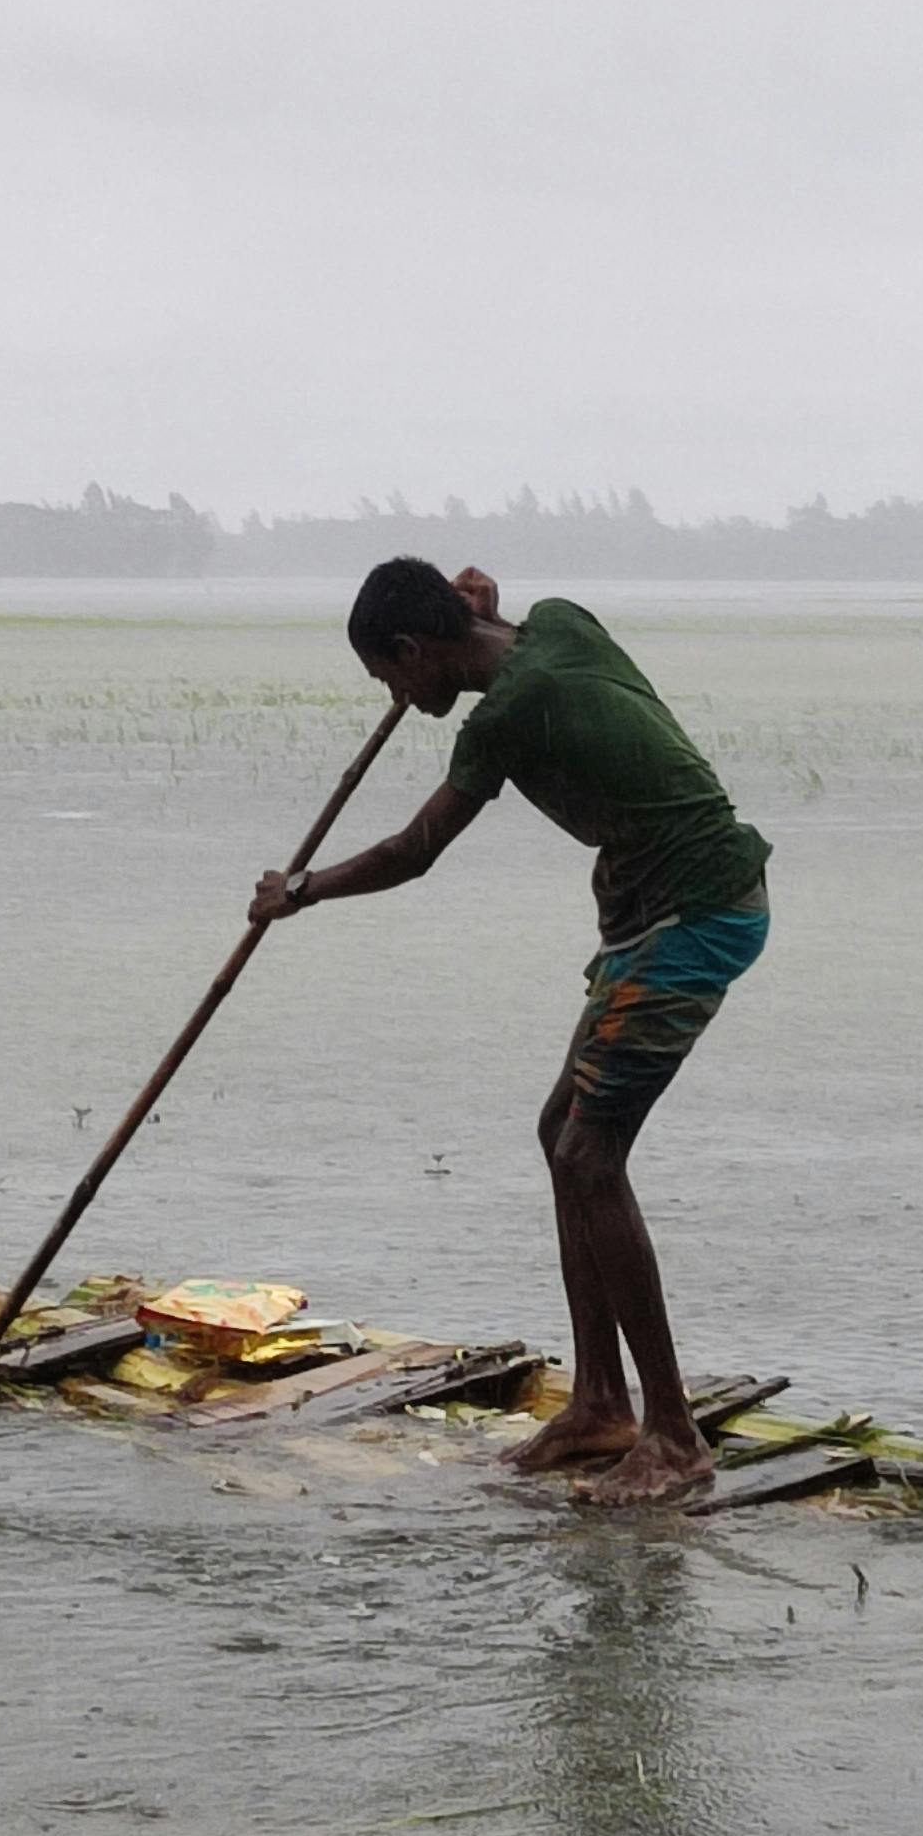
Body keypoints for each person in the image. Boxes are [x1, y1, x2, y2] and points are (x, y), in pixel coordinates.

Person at [248, 557, 771, 1506]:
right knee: (560, 1136)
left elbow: (414, 852)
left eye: (391, 677)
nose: (400, 699)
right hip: (652, 917)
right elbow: (496, 609)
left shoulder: (504, 714)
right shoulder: (558, 622)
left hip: (695, 915)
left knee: (588, 1155)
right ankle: (600, 1402)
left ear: (414, 649)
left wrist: (304, 890)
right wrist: (479, 607)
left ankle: (674, 1434)